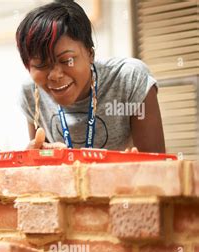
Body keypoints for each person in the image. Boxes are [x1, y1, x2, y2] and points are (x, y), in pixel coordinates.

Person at [17, 0, 166, 153]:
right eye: (41, 65)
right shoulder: (31, 93)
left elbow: (159, 167)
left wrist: (127, 166)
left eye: (67, 60)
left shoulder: (129, 79)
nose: (55, 75)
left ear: (90, 54)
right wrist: (33, 158)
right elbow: (42, 163)